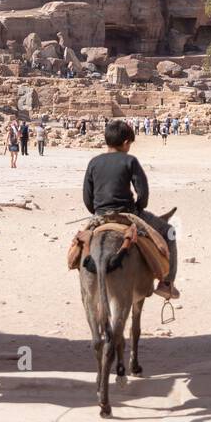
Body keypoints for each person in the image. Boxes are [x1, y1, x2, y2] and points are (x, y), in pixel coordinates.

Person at [82, 119, 177, 299]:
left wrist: (98, 211)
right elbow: (143, 192)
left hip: (100, 215)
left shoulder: (94, 162)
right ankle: (167, 283)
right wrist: (138, 210)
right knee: (170, 232)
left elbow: (87, 197)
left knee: (81, 242)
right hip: (127, 214)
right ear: (126, 143)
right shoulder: (130, 161)